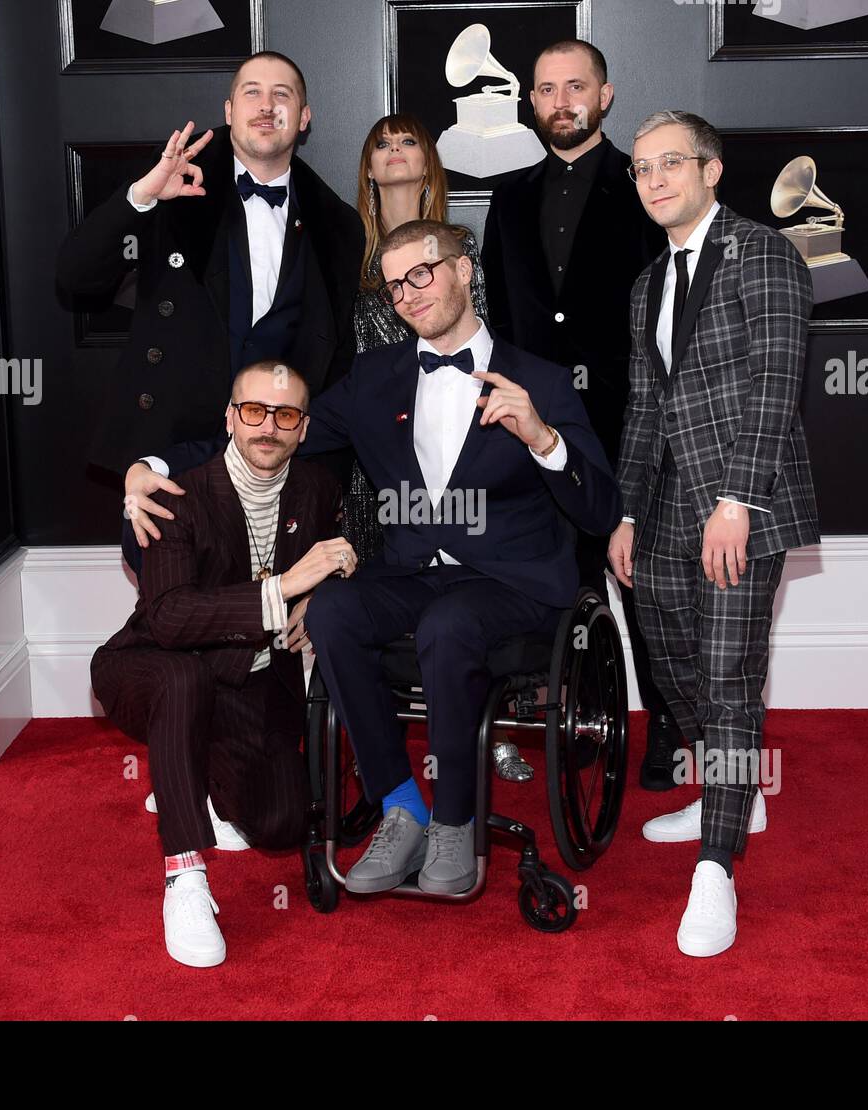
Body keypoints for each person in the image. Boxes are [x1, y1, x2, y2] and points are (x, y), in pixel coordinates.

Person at [299, 219, 620, 897]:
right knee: (332, 610)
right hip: (414, 572)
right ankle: (401, 805)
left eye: (421, 273)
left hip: (515, 583)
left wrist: (542, 436)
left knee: (451, 623)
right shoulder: (371, 378)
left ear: (463, 270)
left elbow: (597, 509)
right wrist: (156, 464)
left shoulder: (542, 379)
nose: (408, 295)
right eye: (393, 286)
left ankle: (453, 823)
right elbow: (280, 426)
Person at [607, 111, 819, 957]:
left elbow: (777, 379)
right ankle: (730, 785)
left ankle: (717, 863)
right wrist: (624, 510)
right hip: (661, 507)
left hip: (739, 500)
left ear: (711, 170)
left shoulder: (762, 252)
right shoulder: (645, 284)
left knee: (730, 677)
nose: (655, 179)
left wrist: (738, 498)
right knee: (666, 656)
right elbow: (642, 406)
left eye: (670, 164)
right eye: (641, 169)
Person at [91, 360, 354, 969]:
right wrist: (286, 584)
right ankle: (184, 877)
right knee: (182, 680)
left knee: (285, 823)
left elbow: (343, 556)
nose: (268, 427)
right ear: (230, 418)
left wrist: (318, 595)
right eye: (254, 411)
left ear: (304, 428)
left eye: (285, 415)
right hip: (149, 665)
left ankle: (189, 767)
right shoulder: (177, 493)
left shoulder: (316, 490)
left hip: (245, 676)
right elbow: (171, 619)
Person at [55, 50, 363, 567]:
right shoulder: (171, 183)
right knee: (177, 613)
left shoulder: (338, 223)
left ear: (304, 118)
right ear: (228, 110)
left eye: (282, 95)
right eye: (252, 93)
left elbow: (337, 361)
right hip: (174, 452)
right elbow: (75, 278)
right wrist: (142, 197)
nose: (267, 106)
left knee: (272, 625)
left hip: (279, 456)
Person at [482, 39, 684, 791]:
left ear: (604, 96)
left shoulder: (643, 188)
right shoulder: (507, 198)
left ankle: (665, 725)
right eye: (546, 89)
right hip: (541, 426)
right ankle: (571, 714)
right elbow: (503, 319)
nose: (561, 100)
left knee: (640, 584)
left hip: (630, 419)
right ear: (530, 102)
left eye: (577, 86)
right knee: (554, 578)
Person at [348, 113, 531, 783]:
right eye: (382, 145)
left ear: (429, 162)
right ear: (368, 166)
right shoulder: (350, 251)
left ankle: (488, 732)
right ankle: (392, 742)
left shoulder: (464, 244)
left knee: (466, 589)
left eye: (407, 142)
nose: (395, 153)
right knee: (390, 595)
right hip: (378, 454)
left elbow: (486, 338)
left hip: (457, 437)